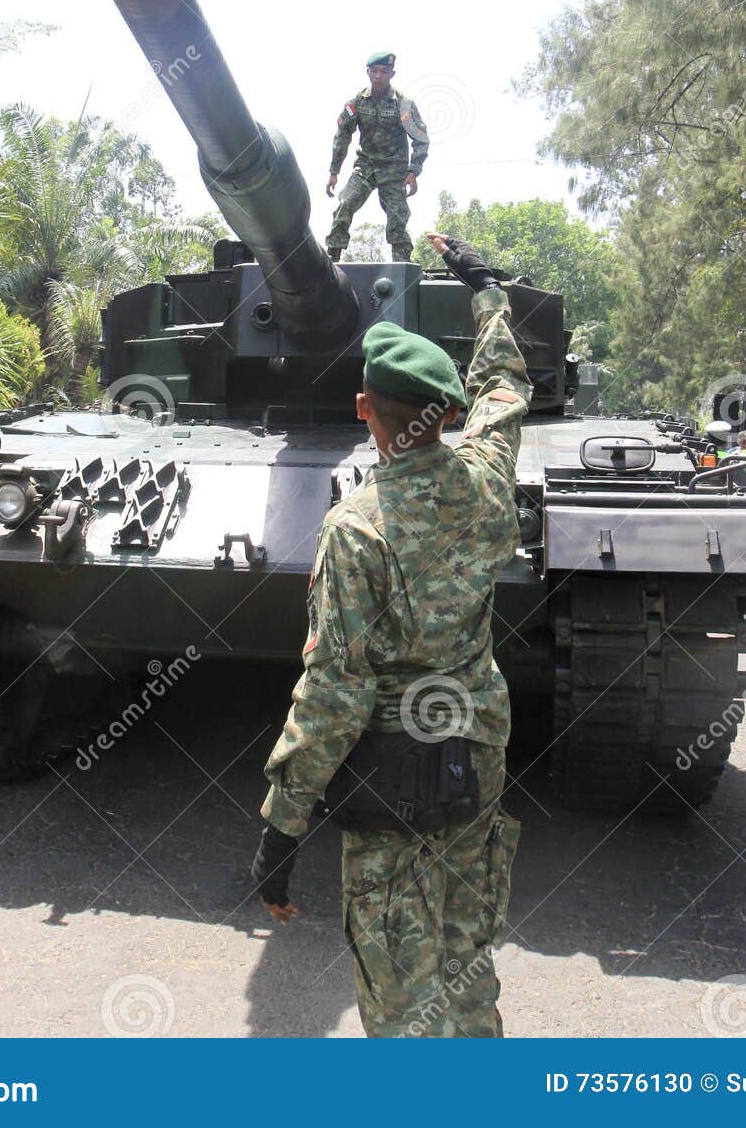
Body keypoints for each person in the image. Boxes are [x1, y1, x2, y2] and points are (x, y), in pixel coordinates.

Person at [251, 235, 530, 1037]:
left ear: (363, 409)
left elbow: (337, 690)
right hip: (473, 746)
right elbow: (504, 387)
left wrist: (282, 824)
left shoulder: (357, 527)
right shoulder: (486, 477)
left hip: (390, 769)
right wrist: (485, 291)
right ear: (446, 415)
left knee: (396, 973)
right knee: (466, 949)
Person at [326, 51, 429, 262]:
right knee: (345, 204)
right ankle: (332, 259)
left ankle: (401, 264)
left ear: (392, 74)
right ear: (368, 72)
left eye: (384, 71)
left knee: (397, 217)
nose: (378, 76)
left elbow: (420, 139)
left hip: (393, 169)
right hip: (365, 167)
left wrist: (413, 171)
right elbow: (342, 135)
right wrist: (334, 172)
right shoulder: (357, 102)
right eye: (374, 71)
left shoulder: (403, 104)